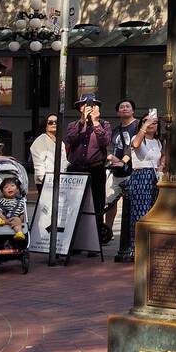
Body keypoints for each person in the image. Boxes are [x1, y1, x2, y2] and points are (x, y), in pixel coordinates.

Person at [64, 95, 113, 244]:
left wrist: (96, 122)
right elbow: (70, 139)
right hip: (76, 169)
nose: (89, 108)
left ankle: (94, 241)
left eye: (93, 105)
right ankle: (74, 241)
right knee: (73, 206)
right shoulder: (73, 124)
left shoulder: (105, 124)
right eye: (85, 105)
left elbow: (106, 141)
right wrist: (82, 121)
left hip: (96, 170)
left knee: (97, 205)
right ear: (80, 108)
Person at [126, 111, 163, 256]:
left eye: (154, 122)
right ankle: (136, 248)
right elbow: (135, 145)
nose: (151, 124)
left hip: (154, 177)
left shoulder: (158, 142)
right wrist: (145, 125)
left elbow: (160, 160)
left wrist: (161, 169)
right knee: (140, 213)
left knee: (153, 212)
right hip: (141, 176)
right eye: (146, 121)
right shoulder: (137, 137)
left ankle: (150, 247)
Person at [106, 99, 139, 236]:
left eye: (128, 106)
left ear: (133, 110)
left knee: (134, 203)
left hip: (134, 171)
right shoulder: (115, 131)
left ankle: (133, 234)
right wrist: (111, 159)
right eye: (121, 107)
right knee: (110, 201)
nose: (125, 108)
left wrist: (123, 161)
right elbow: (109, 149)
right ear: (117, 112)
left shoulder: (138, 126)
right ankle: (107, 232)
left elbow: (133, 147)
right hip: (117, 172)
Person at [0, 176, 28, 243]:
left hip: (13, 220)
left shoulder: (21, 201)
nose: (9, 188)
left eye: (12, 186)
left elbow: (21, 213)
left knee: (17, 220)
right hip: (0, 220)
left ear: (17, 190)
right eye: (6, 187)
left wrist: (20, 221)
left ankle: (19, 233)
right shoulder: (2, 200)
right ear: (2, 192)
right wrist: (3, 219)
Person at [29, 114, 67, 189]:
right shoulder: (40, 140)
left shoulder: (60, 142)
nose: (54, 124)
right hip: (45, 182)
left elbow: (64, 161)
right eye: (50, 122)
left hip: (60, 181)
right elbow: (38, 164)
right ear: (45, 125)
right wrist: (44, 180)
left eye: (56, 122)